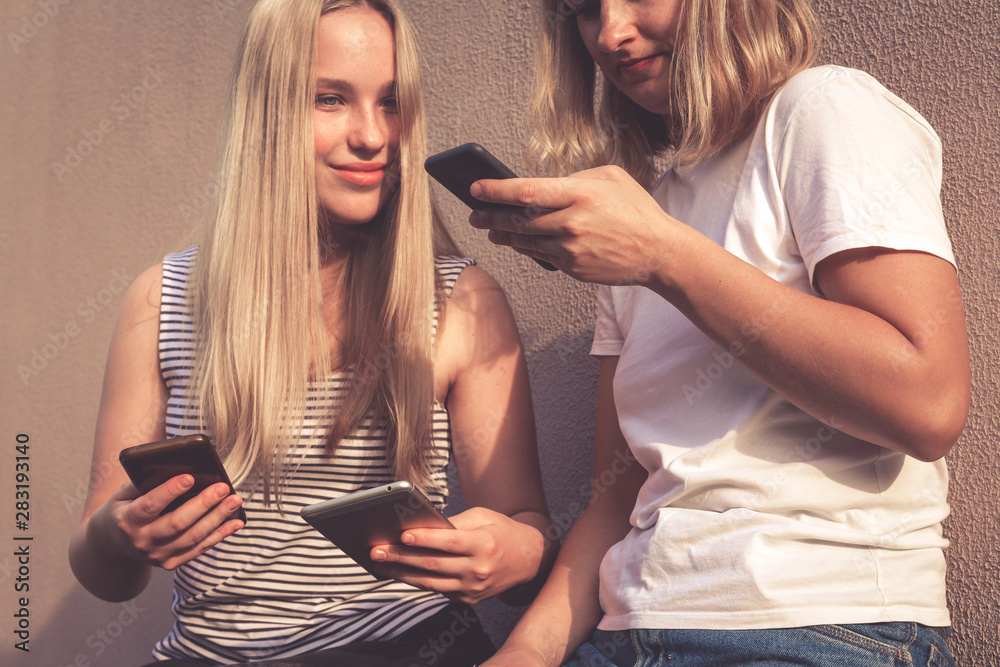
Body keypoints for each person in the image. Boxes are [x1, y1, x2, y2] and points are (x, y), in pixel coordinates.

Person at [472, 1, 969, 665]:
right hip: (628, 632)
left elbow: (929, 404)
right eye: (586, 11)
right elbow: (617, 498)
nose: (612, 33)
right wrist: (525, 653)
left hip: (813, 626)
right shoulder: (640, 212)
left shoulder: (820, 111)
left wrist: (664, 256)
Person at [68, 0, 556, 664]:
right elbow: (104, 572)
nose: (373, 136)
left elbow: (530, 534)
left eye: (390, 103)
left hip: (406, 646)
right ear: (264, 112)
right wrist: (121, 534)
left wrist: (512, 551)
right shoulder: (161, 299)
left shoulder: (463, 299)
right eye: (330, 99)